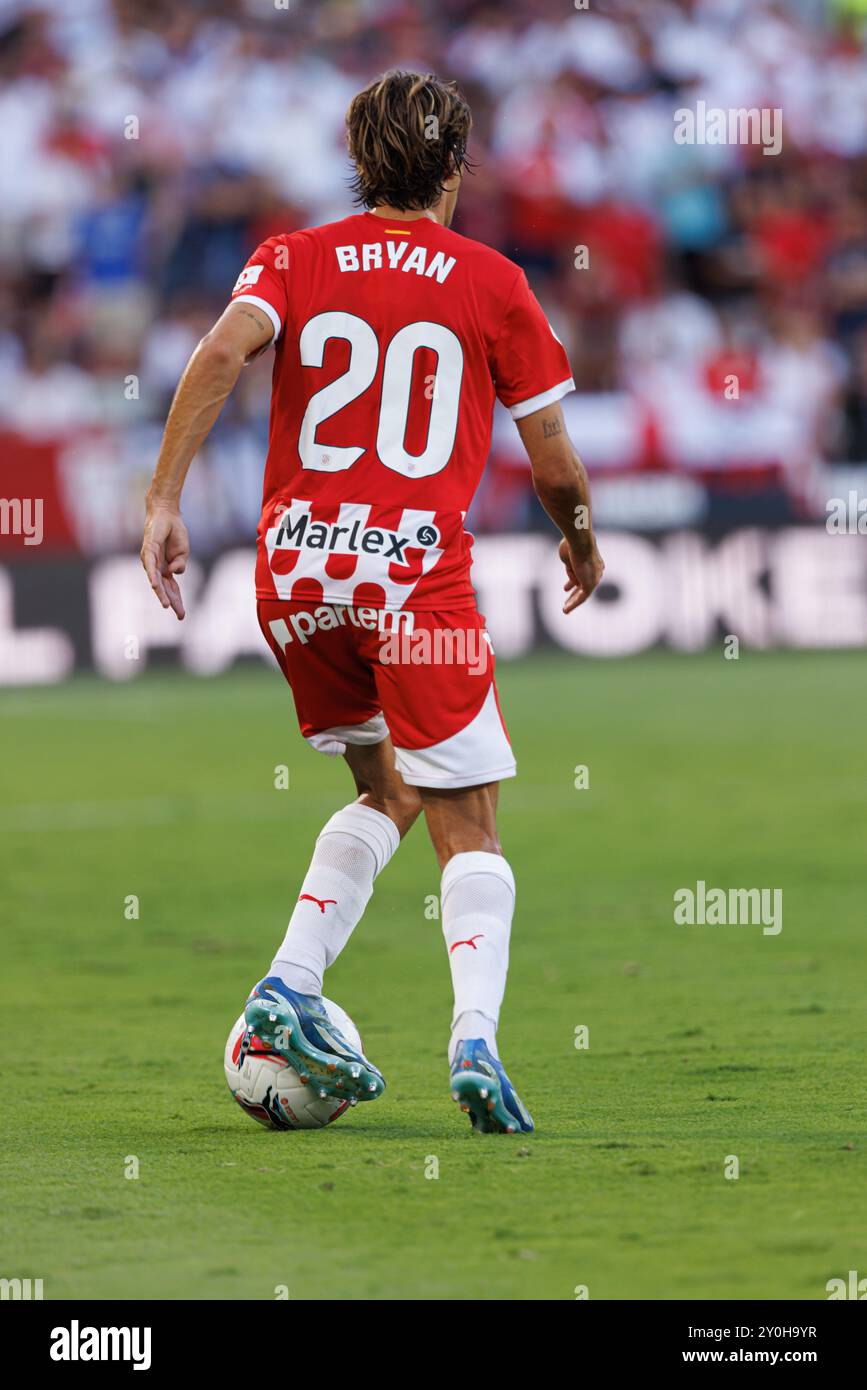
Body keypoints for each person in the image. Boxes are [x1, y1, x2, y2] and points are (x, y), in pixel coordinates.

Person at [141, 70, 603, 1134]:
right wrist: (580, 542)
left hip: (296, 571)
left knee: (387, 786)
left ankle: (285, 986)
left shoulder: (294, 256)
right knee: (468, 819)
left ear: (360, 160)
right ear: (456, 166)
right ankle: (474, 1040)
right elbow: (556, 465)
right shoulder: (492, 282)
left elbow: (219, 354)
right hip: (413, 578)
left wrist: (164, 497)